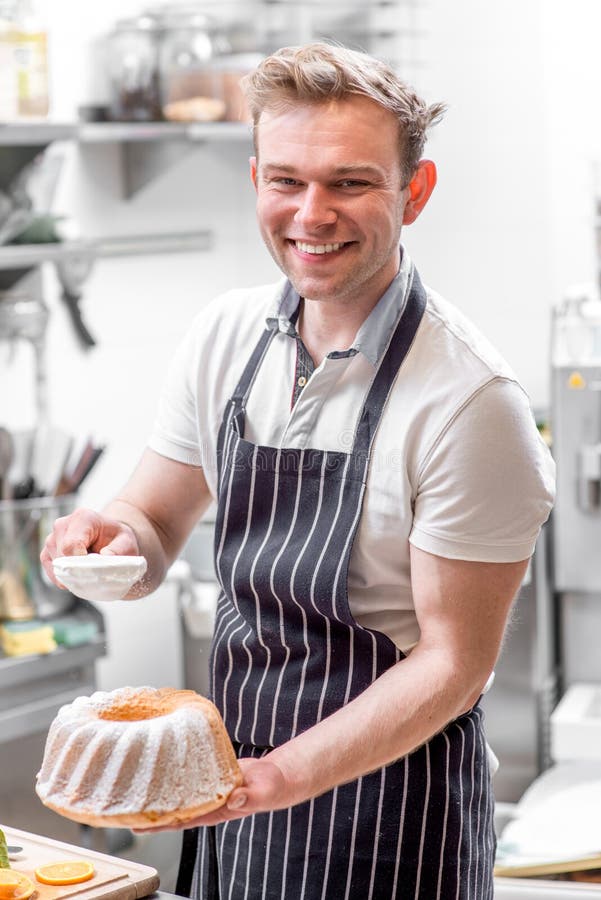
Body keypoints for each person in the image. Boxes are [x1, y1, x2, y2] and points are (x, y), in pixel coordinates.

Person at [41, 42, 555, 900]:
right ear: (255, 181)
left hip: (392, 818)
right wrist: (108, 539)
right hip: (235, 793)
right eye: (287, 180)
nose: (311, 213)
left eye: (349, 183)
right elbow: (156, 522)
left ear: (413, 193)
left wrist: (279, 778)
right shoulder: (224, 336)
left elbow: (453, 665)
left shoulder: (469, 402)